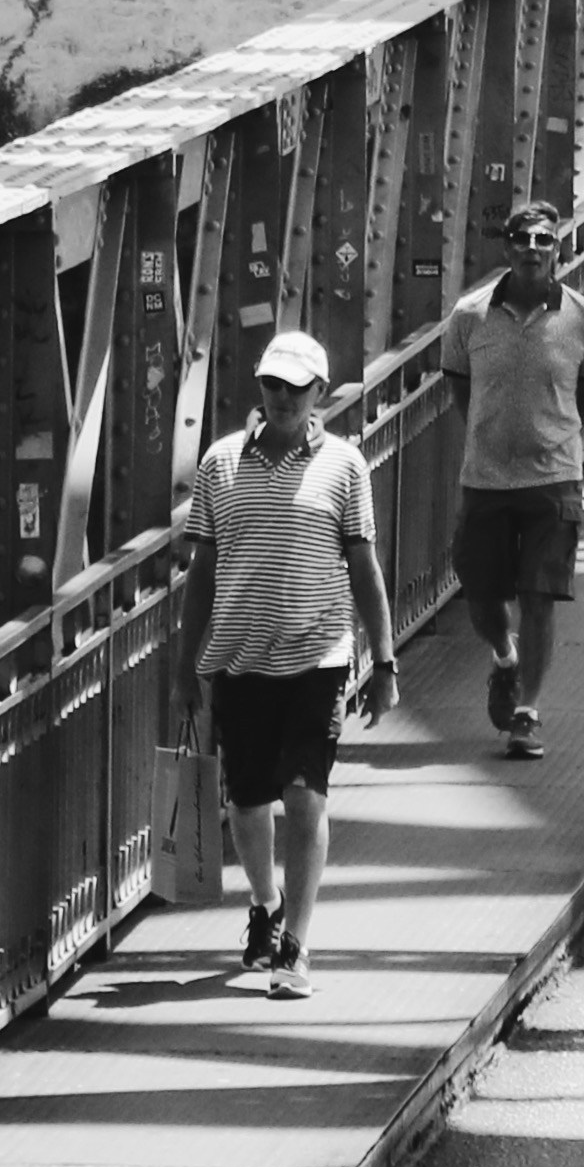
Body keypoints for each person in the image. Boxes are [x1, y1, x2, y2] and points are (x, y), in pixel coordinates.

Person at [187, 326, 394, 994]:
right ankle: (265, 905)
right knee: (247, 802)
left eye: (293, 389)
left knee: (304, 798)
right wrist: (184, 671)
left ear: (318, 395)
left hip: (318, 657)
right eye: (271, 385)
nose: (279, 398)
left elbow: (363, 564)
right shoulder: (219, 463)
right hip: (239, 659)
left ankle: (296, 946)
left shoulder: (344, 465)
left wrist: (383, 657)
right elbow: (202, 569)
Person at [439, 208, 584, 761]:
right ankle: (504, 659)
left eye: (543, 240)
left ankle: (527, 712)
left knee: (540, 595)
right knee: (484, 594)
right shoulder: (469, 316)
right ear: (506, 249)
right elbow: (458, 385)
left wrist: (556, 437)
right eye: (521, 239)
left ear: (558, 249)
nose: (532, 248)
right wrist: (488, 436)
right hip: (486, 479)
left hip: (553, 479)